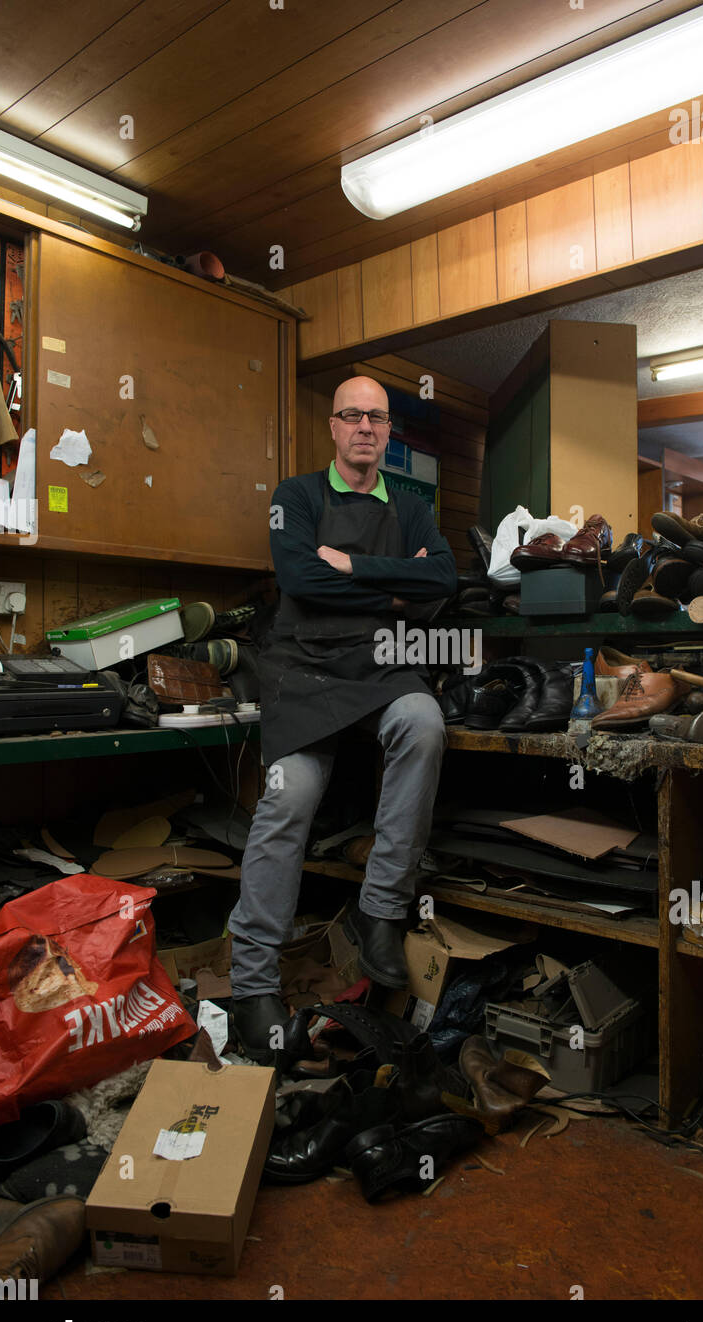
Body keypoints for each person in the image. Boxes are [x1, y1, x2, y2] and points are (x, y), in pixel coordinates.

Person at [228, 375, 458, 1062]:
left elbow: (442, 582)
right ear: (332, 427)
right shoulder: (295, 497)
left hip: (384, 663)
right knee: (289, 794)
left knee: (424, 721)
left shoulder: (413, 507)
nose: (364, 427)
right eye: (352, 415)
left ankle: (381, 912)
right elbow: (300, 581)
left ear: (388, 431)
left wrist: (352, 567)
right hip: (302, 670)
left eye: (377, 418)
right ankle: (252, 983)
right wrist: (392, 587)